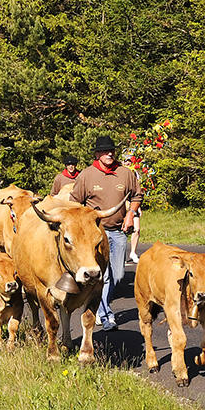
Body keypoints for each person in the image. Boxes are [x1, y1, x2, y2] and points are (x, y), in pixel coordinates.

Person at [71, 135, 141, 328]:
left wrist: (130, 214)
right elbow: (74, 203)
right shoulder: (87, 175)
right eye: (105, 151)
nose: (110, 153)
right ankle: (105, 315)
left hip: (118, 231)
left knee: (118, 275)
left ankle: (99, 306)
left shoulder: (125, 173)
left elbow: (137, 195)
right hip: (96, 234)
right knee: (105, 276)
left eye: (112, 150)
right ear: (97, 154)